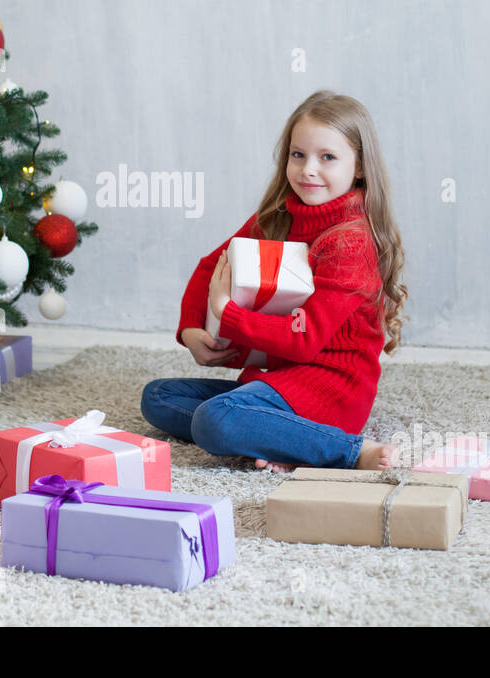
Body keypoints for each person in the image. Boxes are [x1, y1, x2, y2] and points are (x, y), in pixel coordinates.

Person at [141, 89, 408, 472]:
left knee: (213, 419)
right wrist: (190, 332)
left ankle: (349, 450)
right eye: (298, 155)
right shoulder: (280, 218)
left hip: (331, 392)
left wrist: (227, 313)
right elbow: (209, 267)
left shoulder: (350, 242)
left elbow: (304, 340)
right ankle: (276, 438)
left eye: (327, 158)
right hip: (282, 380)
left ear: (360, 167)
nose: (308, 169)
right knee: (159, 397)